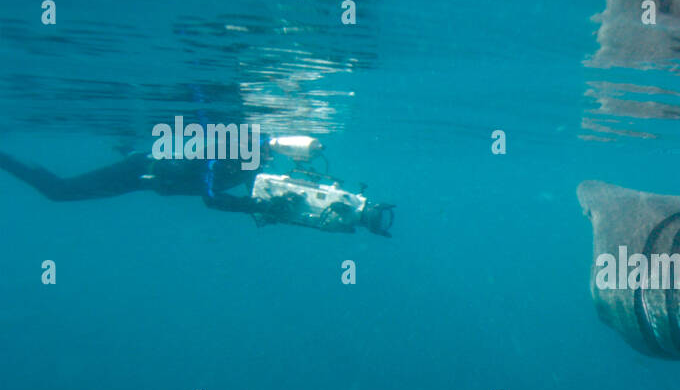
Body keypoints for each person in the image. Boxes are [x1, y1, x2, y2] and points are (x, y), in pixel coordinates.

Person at [0, 138, 394, 237]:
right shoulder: (229, 154)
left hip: (149, 180)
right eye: (262, 153)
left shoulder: (253, 164)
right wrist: (254, 208)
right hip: (143, 170)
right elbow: (209, 198)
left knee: (61, 192)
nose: (268, 160)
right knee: (58, 191)